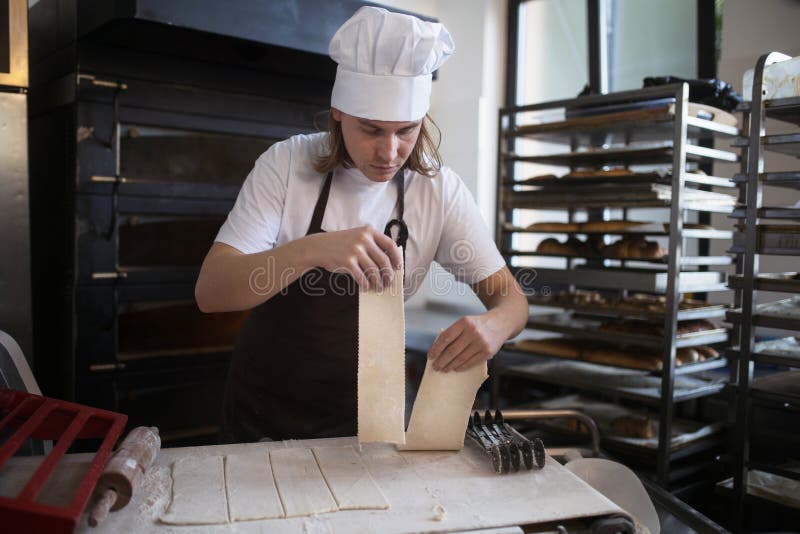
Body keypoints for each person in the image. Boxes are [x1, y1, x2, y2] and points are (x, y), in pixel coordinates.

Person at [195, 6, 528, 443]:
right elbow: (211, 291)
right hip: (265, 417)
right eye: (371, 130)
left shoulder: (439, 192)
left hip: (373, 424)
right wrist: (313, 249)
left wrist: (496, 325)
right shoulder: (286, 165)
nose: (389, 152)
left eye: (406, 131)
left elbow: (513, 300)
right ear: (338, 112)